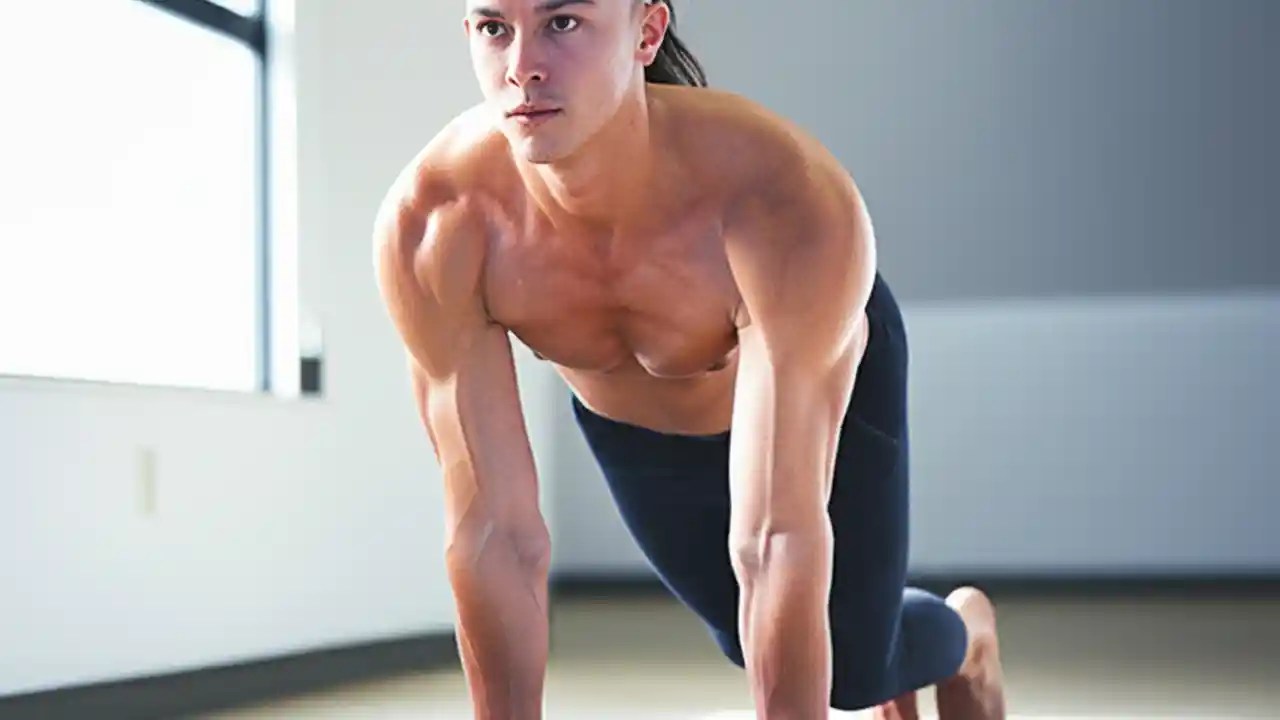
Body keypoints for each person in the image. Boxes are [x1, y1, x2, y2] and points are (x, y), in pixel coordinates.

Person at [373, 1, 1006, 717]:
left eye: (563, 22)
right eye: (495, 28)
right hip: (643, 435)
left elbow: (776, 536)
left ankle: (969, 633)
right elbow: (494, 535)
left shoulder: (780, 194)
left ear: (646, 32)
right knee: (750, 638)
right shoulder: (436, 224)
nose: (522, 68)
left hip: (827, 374)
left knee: (851, 671)